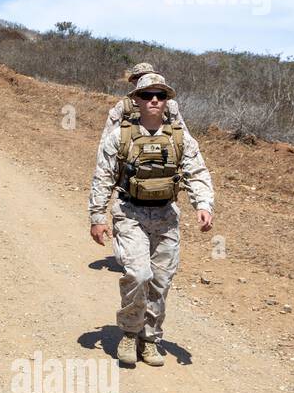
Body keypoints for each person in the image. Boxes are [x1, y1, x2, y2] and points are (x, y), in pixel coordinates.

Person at [89, 74, 215, 367]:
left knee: (160, 282)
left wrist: (203, 204)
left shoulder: (180, 138)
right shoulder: (119, 137)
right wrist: (97, 216)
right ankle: (130, 333)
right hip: (130, 213)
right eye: (147, 95)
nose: (154, 100)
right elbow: (102, 177)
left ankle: (150, 339)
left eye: (160, 95)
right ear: (137, 100)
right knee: (138, 274)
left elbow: (197, 172)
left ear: (167, 100)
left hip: (166, 217)